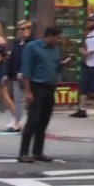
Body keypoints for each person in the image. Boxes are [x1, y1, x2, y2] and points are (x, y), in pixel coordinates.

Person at [19, 26, 69, 163]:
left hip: (50, 86)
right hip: (36, 86)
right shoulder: (32, 47)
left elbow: (55, 67)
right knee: (33, 120)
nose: (58, 40)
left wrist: (63, 64)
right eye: (57, 37)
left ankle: (37, 151)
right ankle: (23, 152)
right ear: (50, 36)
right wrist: (28, 91)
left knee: (44, 120)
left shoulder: (55, 50)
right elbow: (26, 71)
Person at [3, 20, 35, 132]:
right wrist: (7, 74)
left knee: (30, 100)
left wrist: (24, 72)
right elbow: (12, 59)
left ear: (29, 30)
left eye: (23, 29)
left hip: (28, 76)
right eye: (19, 29)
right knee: (18, 99)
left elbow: (30, 60)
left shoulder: (33, 43)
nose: (20, 31)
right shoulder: (17, 43)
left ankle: (26, 122)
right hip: (16, 75)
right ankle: (17, 121)